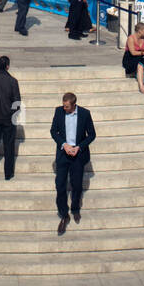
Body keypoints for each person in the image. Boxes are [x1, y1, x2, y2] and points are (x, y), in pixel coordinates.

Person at [51, 92, 95, 235]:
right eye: (63, 106)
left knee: (76, 185)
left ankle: (75, 209)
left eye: (67, 107)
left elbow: (92, 134)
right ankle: (64, 214)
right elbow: (53, 131)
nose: (64, 108)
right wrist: (64, 145)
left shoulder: (85, 114)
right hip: (63, 154)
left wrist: (79, 147)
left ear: (73, 105)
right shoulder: (58, 111)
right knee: (60, 185)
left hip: (77, 155)